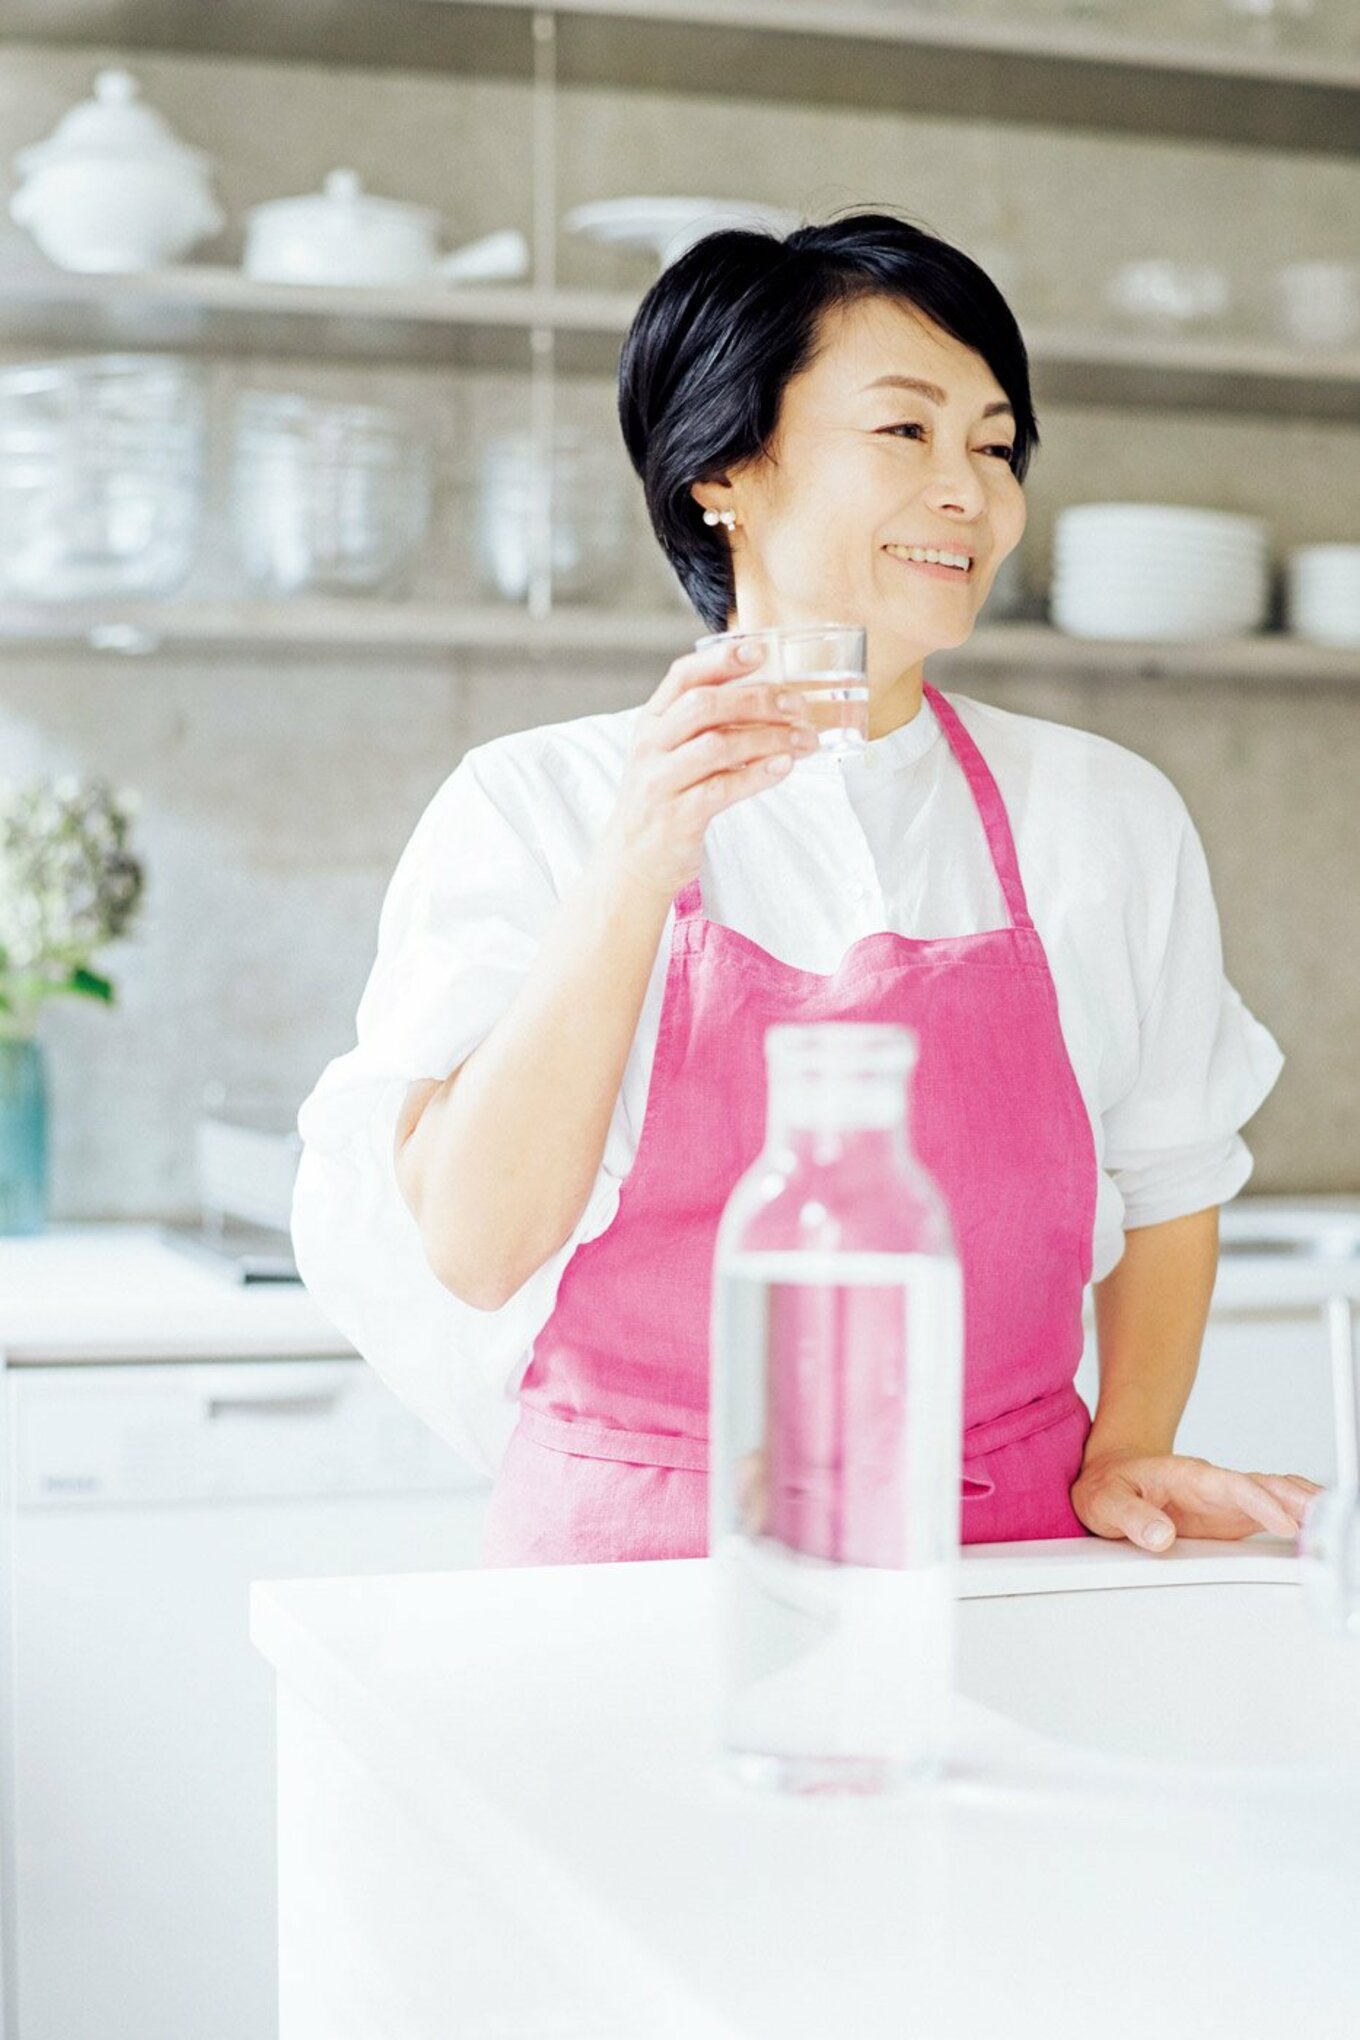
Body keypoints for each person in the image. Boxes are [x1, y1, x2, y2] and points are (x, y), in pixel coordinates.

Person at [291, 210, 1321, 1565]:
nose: (972, 491)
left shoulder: (1104, 812)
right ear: (724, 466)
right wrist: (634, 866)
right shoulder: (534, 804)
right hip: (639, 1562)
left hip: (1007, 1552)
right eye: (906, 432)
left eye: (996, 445)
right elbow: (480, 1246)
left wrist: (1127, 1442)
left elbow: (1173, 1170)